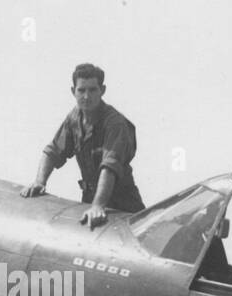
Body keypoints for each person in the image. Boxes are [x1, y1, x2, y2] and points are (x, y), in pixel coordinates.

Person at [21, 63, 144, 228]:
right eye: (81, 90)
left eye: (92, 90)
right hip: (90, 200)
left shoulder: (115, 123)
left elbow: (110, 166)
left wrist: (98, 206)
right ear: (73, 91)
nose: (86, 96)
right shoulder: (74, 118)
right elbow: (52, 151)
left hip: (123, 205)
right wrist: (39, 181)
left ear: (102, 90)